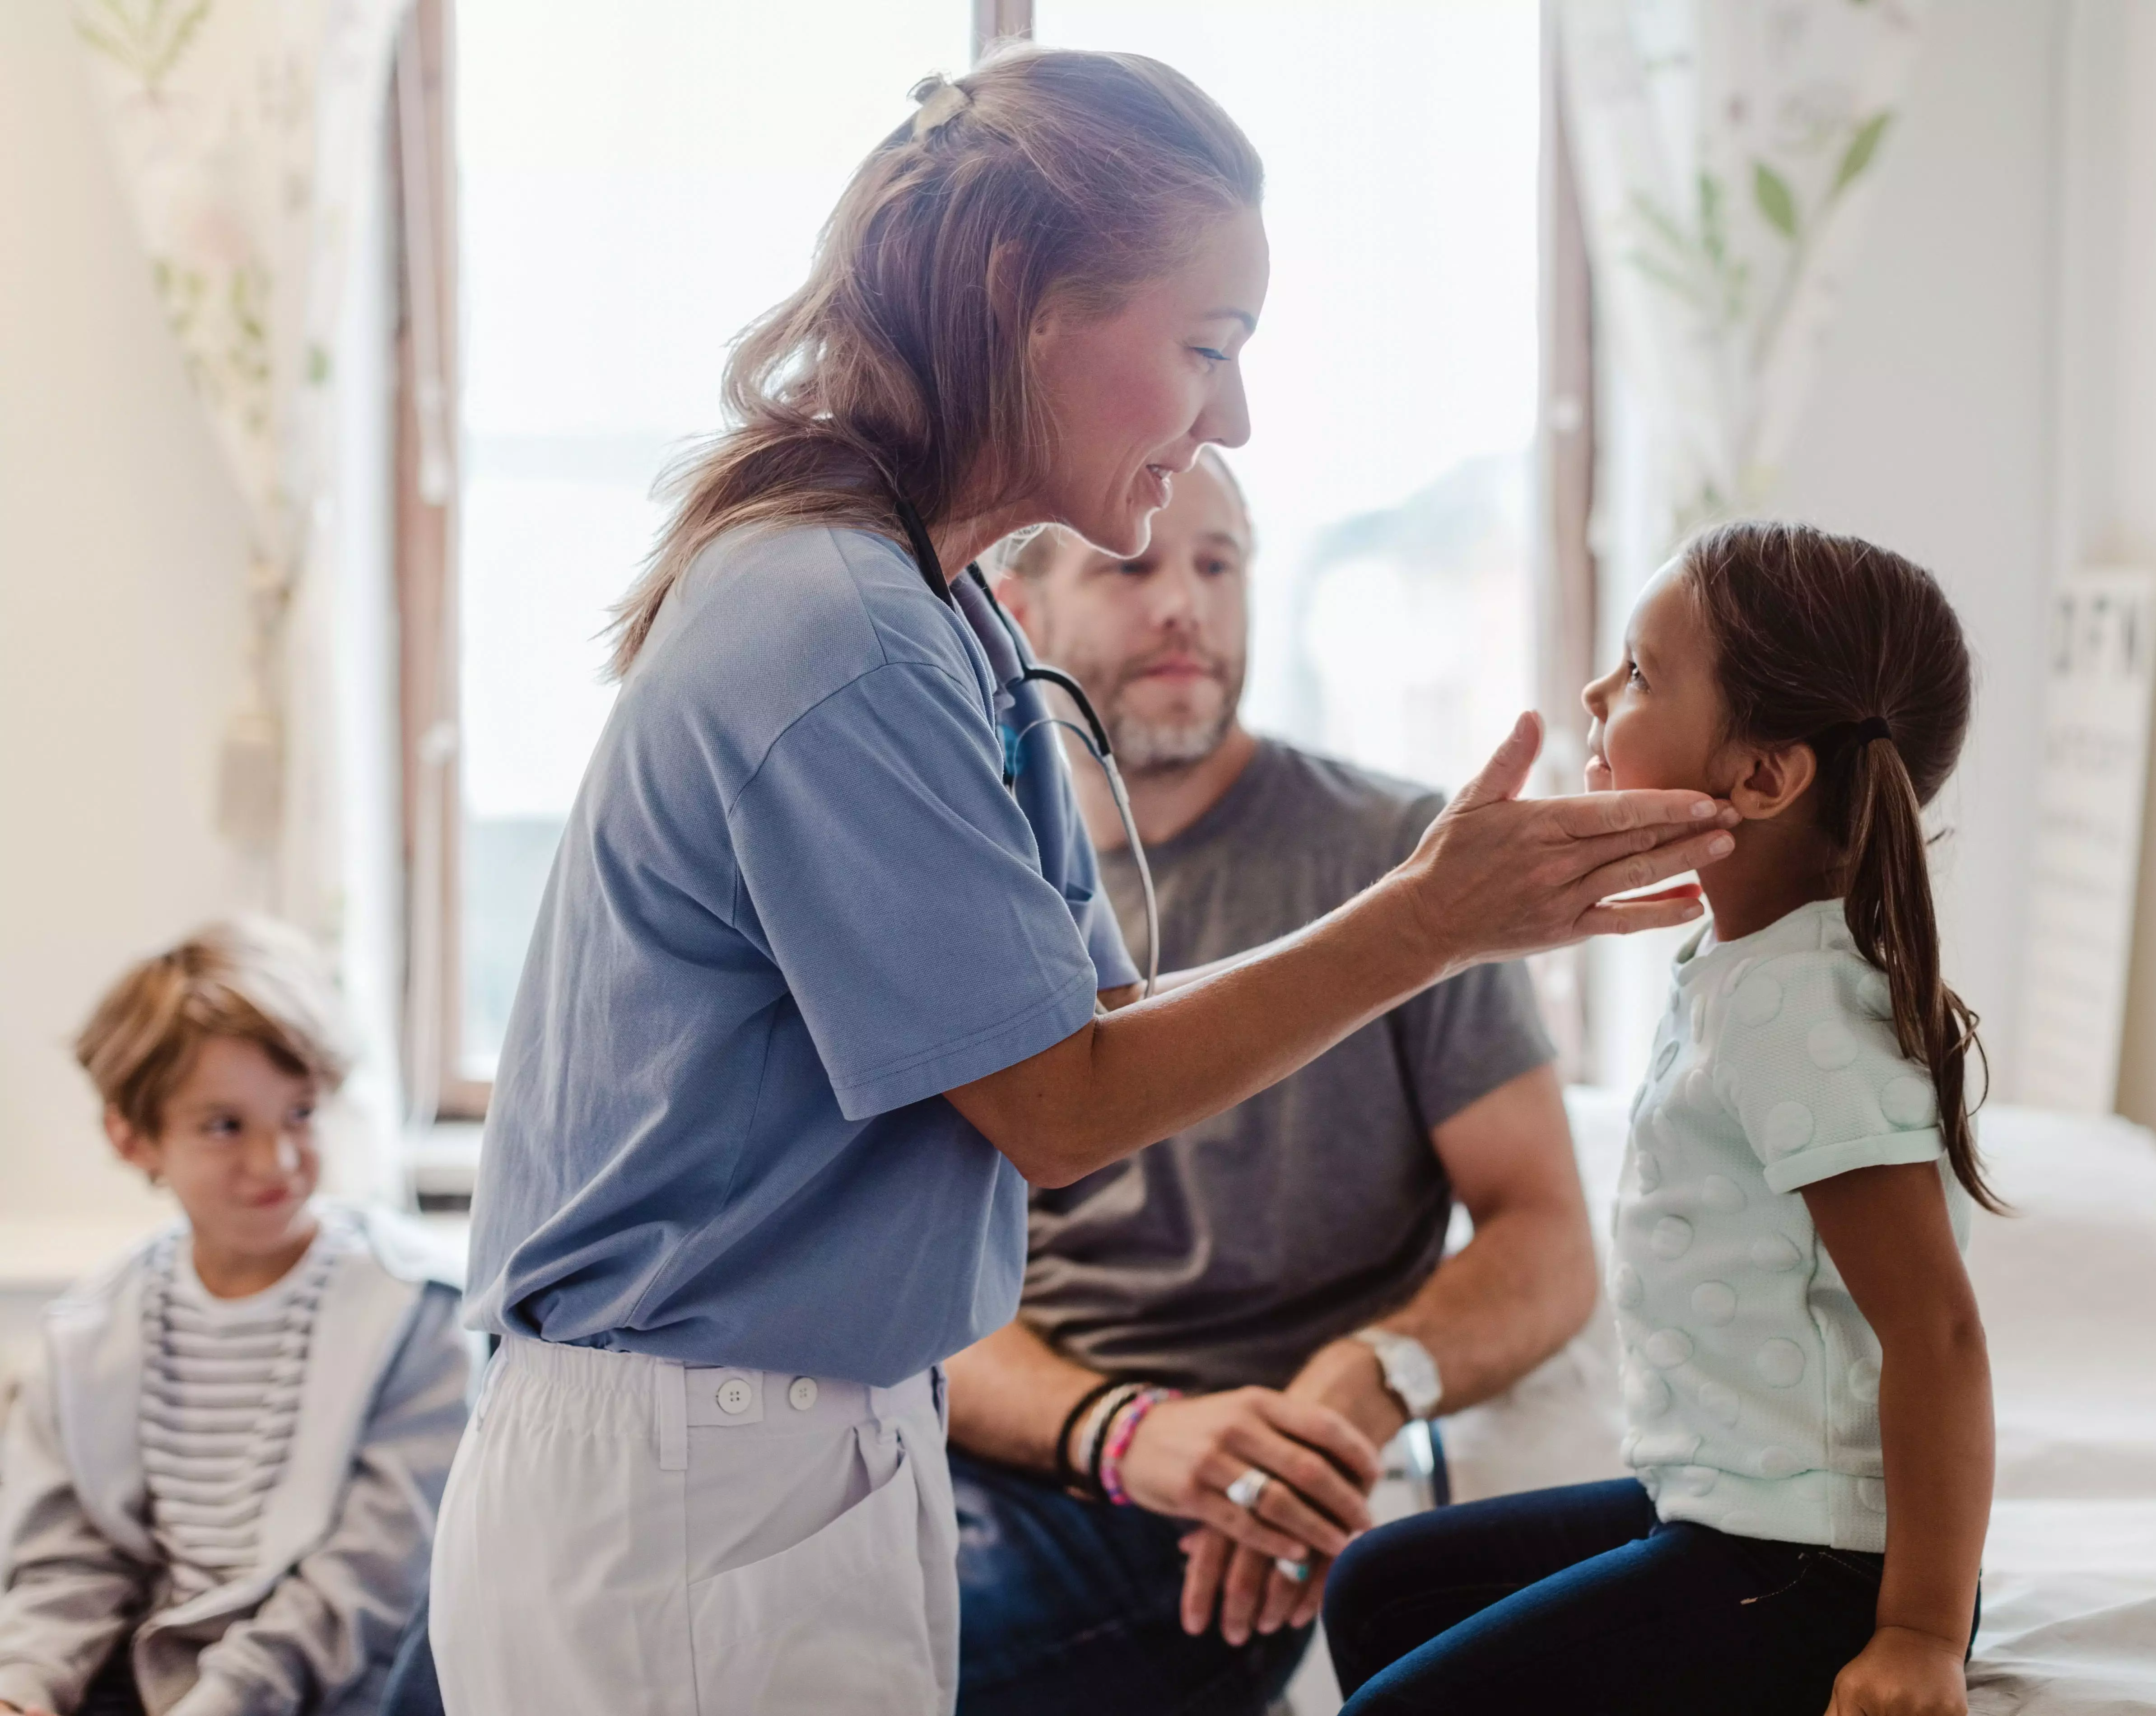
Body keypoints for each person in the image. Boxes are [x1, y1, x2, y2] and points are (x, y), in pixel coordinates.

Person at [427, 45, 1738, 1716]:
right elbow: (1062, 1104)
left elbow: (1089, 1021)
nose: (1234, 420)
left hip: (810, 1445)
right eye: (1207, 347)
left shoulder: (938, 614)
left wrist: (1432, 917)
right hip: (701, 1472)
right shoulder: (834, 633)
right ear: (1021, 303)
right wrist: (1432, 916)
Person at [943, 455, 1600, 1714]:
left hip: (1207, 1521)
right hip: (990, 1450)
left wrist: (1354, 1388)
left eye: (1216, 563)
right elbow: (919, 1292)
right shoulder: (980, 892)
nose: (1182, 603)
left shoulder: (1409, 869)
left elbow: (1547, 1236)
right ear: (1015, 614)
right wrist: (1113, 1430)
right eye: (1129, 565)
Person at [1320, 521, 1999, 1716]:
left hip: (1817, 1564)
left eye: (1637, 672)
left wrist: (1920, 1631)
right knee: (1382, 1589)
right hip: (1725, 1505)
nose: (1594, 690)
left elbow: (1934, 1332)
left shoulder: (1800, 1013)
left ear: (1761, 778)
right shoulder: (1742, 960)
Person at [0, 920, 470, 1716]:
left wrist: (228, 1698)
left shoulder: (416, 1313)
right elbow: (67, 1565)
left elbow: (372, 1576)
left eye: (299, 1114)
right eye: (226, 1127)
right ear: (133, 1138)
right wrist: (25, 1691)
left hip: (337, 1690)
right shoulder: (89, 1331)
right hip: (145, 1683)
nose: (278, 1161)